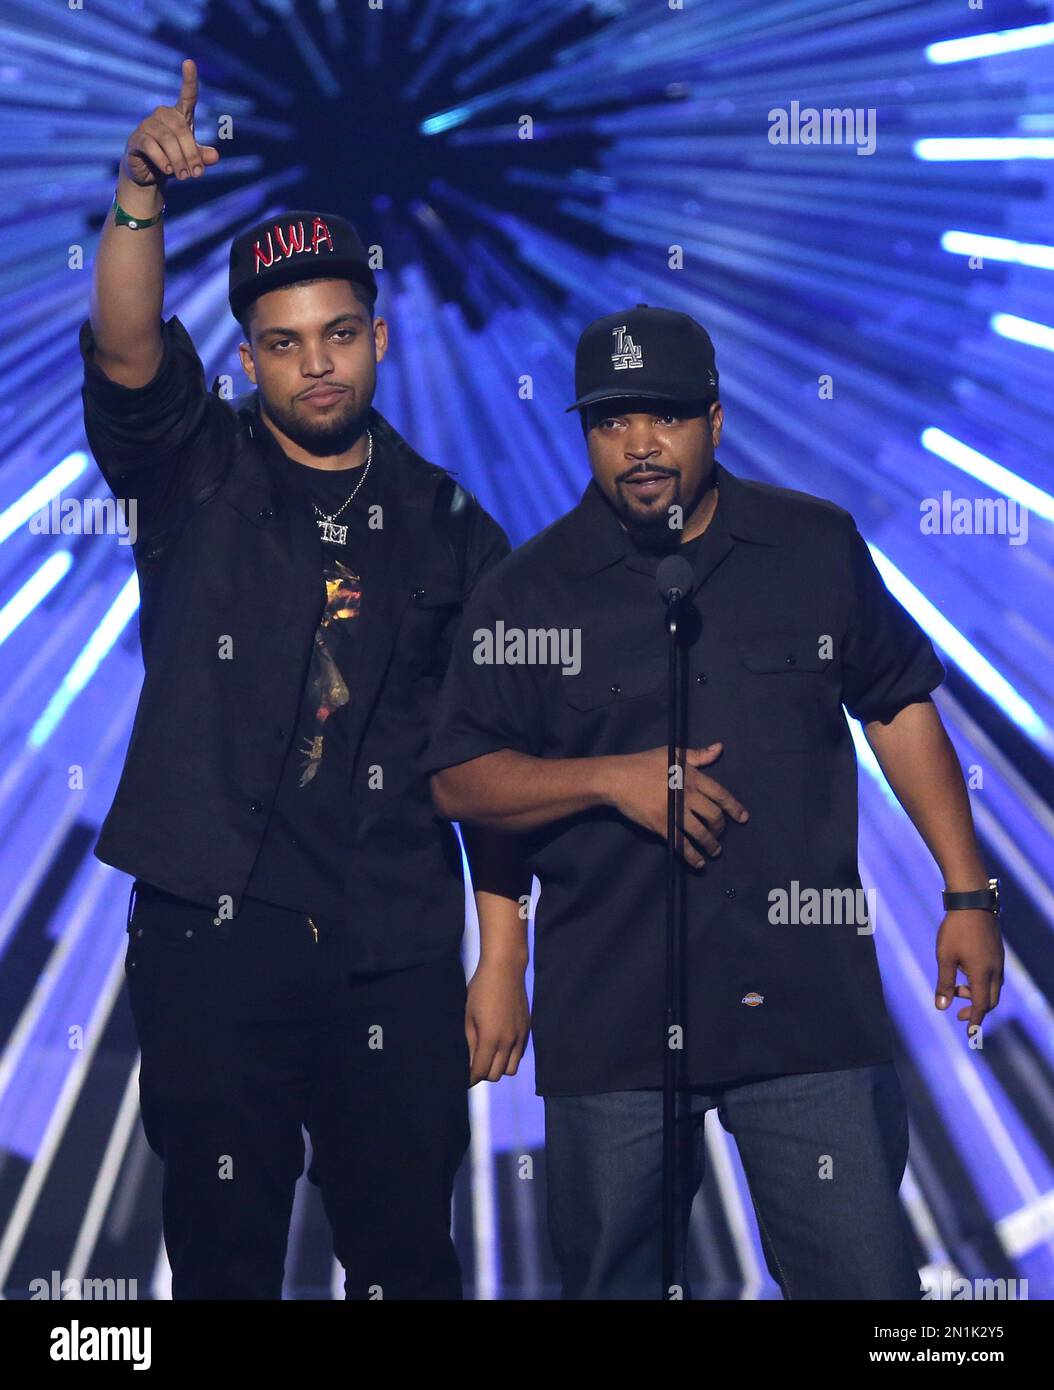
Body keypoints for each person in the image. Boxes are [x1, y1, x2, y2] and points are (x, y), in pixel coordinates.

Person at [425, 303, 1005, 1300]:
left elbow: (898, 704)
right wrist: (602, 788)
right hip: (611, 1016)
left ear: (715, 421)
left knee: (870, 1294)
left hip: (805, 1006)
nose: (639, 445)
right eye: (612, 421)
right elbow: (461, 778)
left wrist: (967, 893)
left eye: (665, 417)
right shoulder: (529, 593)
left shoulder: (812, 546)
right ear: (585, 434)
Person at [79, 58, 530, 1300]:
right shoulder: (192, 468)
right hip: (212, 931)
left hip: (391, 938)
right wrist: (135, 191)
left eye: (338, 335)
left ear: (376, 338)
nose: (316, 365)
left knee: (404, 1258)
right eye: (283, 345)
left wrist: (502, 955)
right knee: (223, 1263)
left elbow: (481, 761)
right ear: (246, 359)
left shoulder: (451, 526)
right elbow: (124, 353)